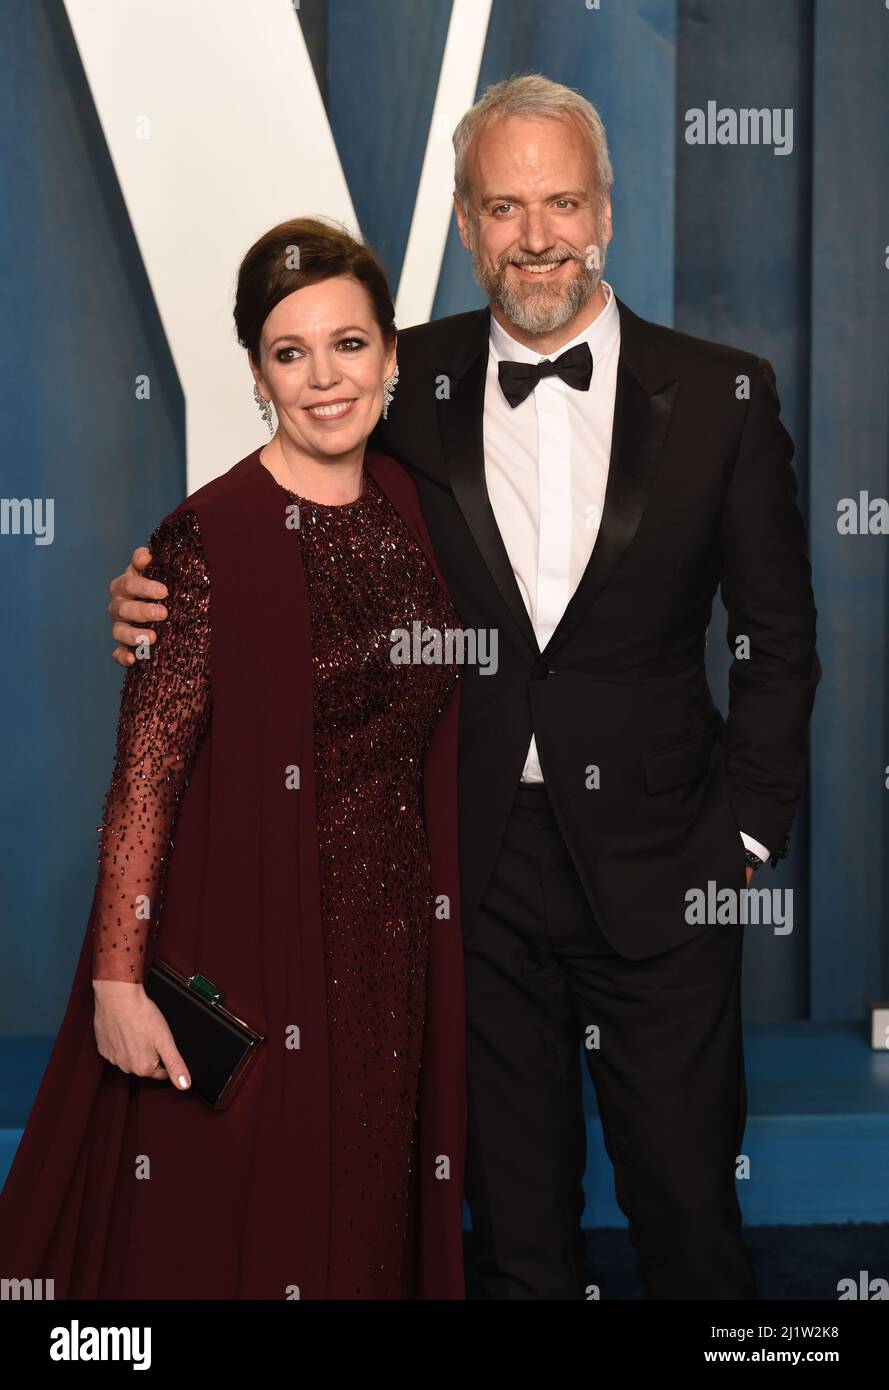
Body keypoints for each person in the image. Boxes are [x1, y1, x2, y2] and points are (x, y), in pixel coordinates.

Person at [106, 75, 819, 1300]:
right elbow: (281, 504)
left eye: (560, 202)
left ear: (605, 212)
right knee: (513, 1238)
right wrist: (159, 585)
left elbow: (779, 636)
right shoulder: (396, 382)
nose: (534, 235)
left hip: (666, 864)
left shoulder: (723, 393)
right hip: (462, 870)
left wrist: (740, 842)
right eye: (502, 206)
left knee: (692, 1220)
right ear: (462, 220)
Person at [0, 218, 466, 1300]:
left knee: (368, 1204)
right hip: (258, 929)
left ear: (390, 357)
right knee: (252, 1216)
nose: (323, 378)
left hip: (394, 937)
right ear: (258, 374)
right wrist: (118, 978)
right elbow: (146, 776)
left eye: (348, 345)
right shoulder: (206, 542)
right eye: (289, 353)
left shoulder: (414, 507)